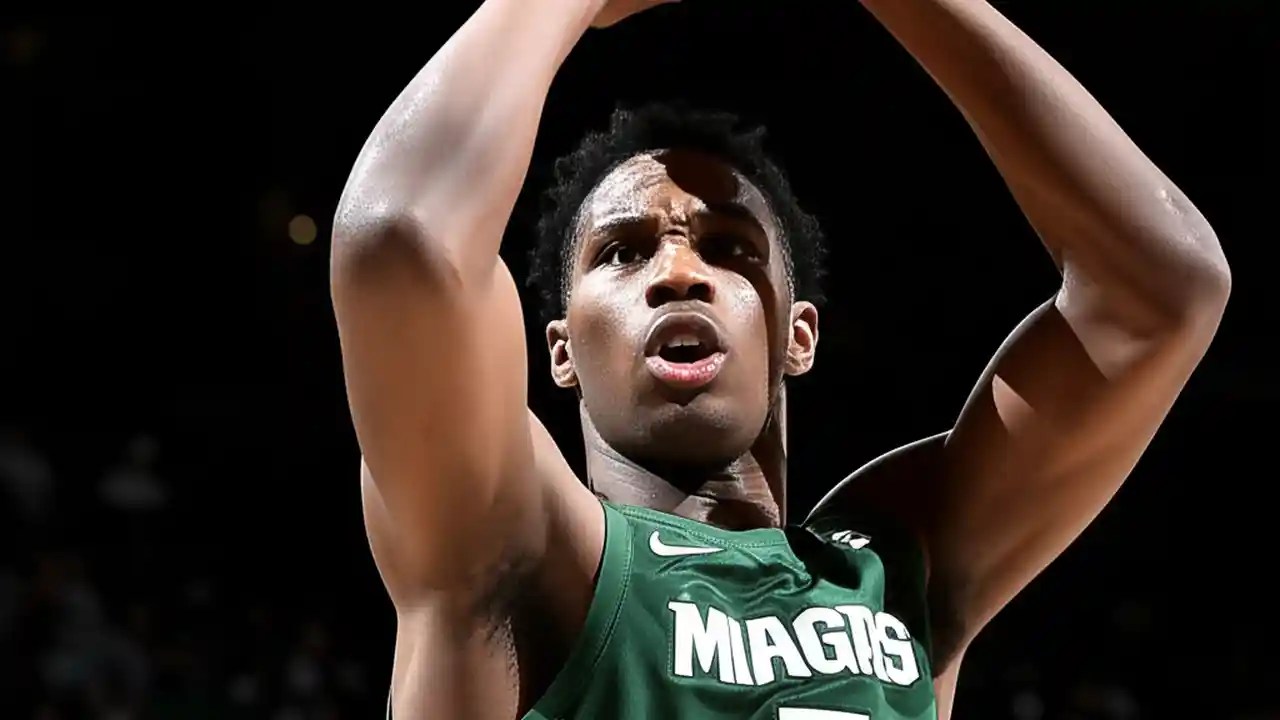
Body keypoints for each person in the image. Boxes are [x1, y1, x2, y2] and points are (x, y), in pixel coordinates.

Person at [328, 0, 1230, 718]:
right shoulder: (524, 547)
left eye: (729, 249)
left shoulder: (892, 567)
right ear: (558, 351)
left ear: (796, 334)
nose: (679, 272)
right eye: (622, 252)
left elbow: (1164, 290)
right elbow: (401, 243)